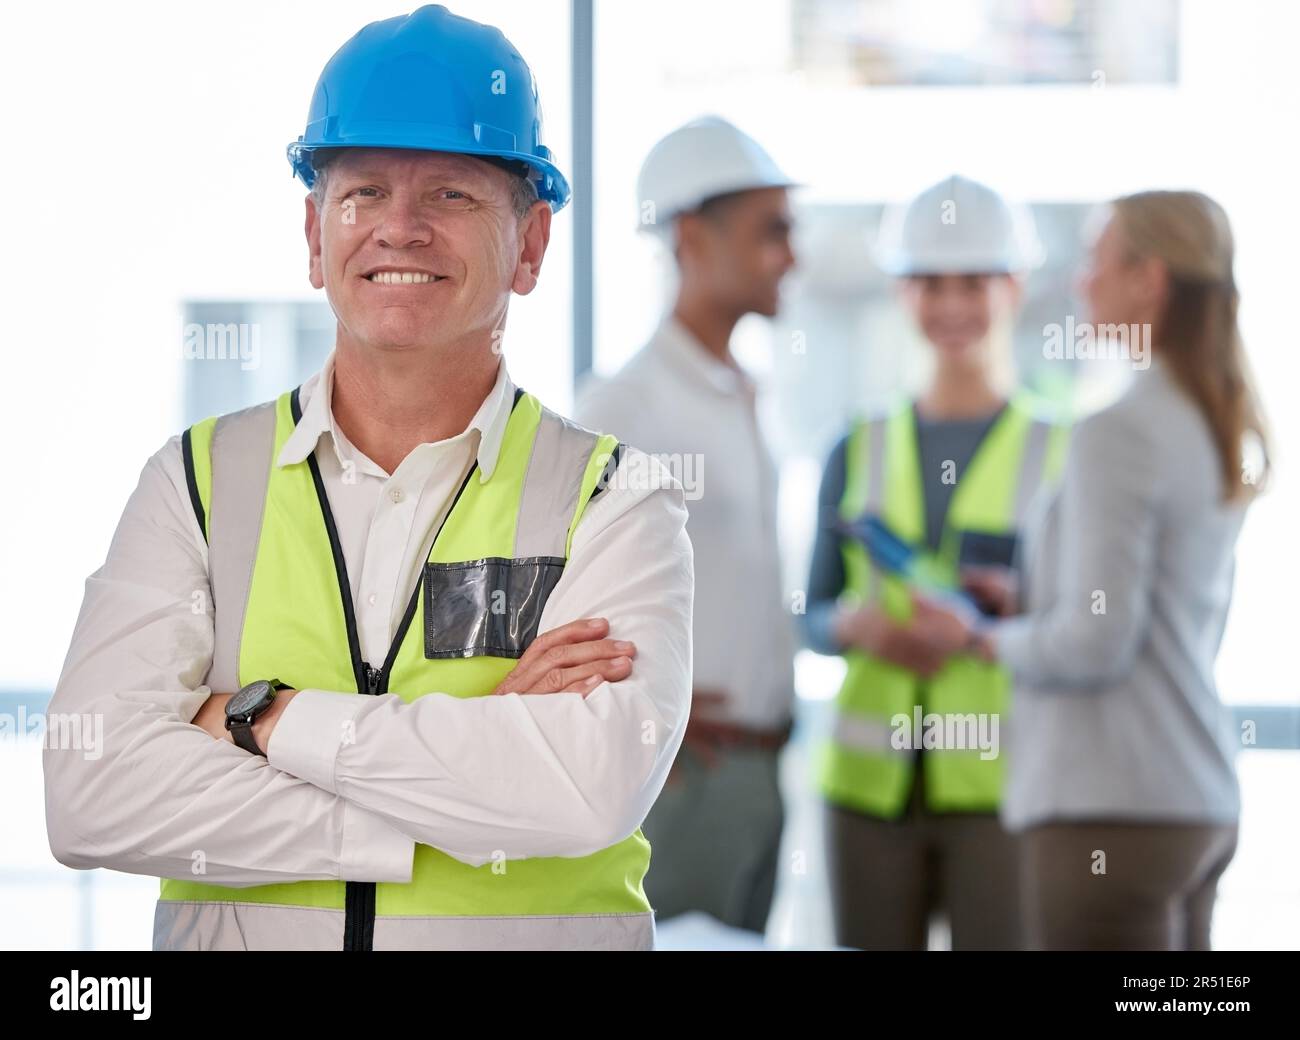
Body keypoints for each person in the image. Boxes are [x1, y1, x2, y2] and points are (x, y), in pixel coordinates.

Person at [42, 4, 693, 952]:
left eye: (452, 197)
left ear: (533, 243)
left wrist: (260, 718)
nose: (400, 229)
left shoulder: (614, 499)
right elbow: (90, 794)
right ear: (316, 234)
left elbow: (590, 787)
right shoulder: (194, 483)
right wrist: (455, 794)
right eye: (362, 194)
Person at [964, 190, 1269, 951]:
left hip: (1111, 810)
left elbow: (1096, 641)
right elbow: (1160, 608)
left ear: (1150, 279)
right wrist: (1032, 599)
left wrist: (982, 639)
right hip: (1193, 802)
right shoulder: (1206, 419)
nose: (1080, 283)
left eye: (1096, 261)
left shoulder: (1118, 429)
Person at [802, 175, 1070, 950]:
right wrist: (857, 627)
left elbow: (1087, 620)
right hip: (867, 797)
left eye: (973, 282)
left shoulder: (1062, 453)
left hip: (1002, 791)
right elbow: (811, 614)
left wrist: (1007, 617)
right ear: (900, 292)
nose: (951, 305)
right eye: (929, 283)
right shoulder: (856, 445)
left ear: (1013, 287)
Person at [574, 116, 798, 934]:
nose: (793, 256)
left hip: (762, 766)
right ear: (693, 237)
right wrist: (636, 706)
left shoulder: (741, 389)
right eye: (771, 232)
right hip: (688, 771)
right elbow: (560, 586)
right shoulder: (626, 404)